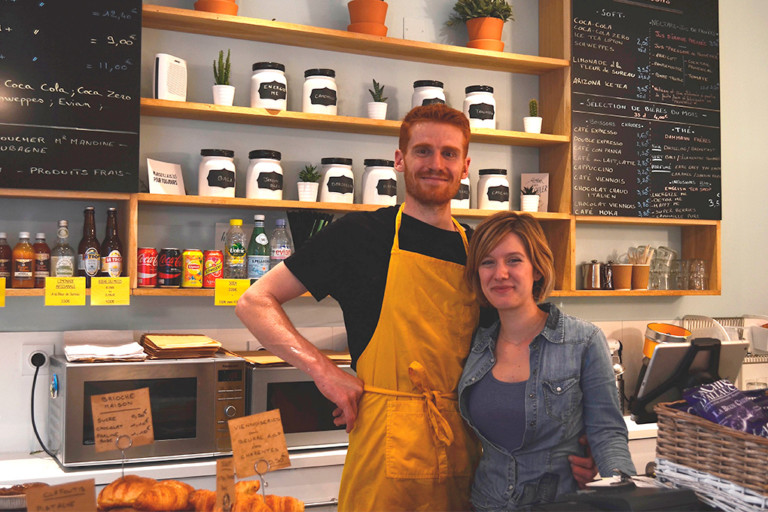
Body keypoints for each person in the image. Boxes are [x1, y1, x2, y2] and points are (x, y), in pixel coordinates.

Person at [235, 104, 596, 512]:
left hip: (469, 449)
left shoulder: (480, 251)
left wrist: (574, 435)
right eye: (423, 151)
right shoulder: (358, 236)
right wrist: (325, 373)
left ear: (464, 167)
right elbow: (254, 302)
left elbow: (522, 349)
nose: (435, 164)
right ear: (400, 160)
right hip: (382, 453)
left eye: (449, 154)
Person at [458, 211, 636, 511]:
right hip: (485, 504)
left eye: (513, 260)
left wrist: (623, 493)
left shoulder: (583, 340)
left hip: (560, 504)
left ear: (537, 269)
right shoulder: (474, 345)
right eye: (488, 262)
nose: (500, 273)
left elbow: (607, 434)